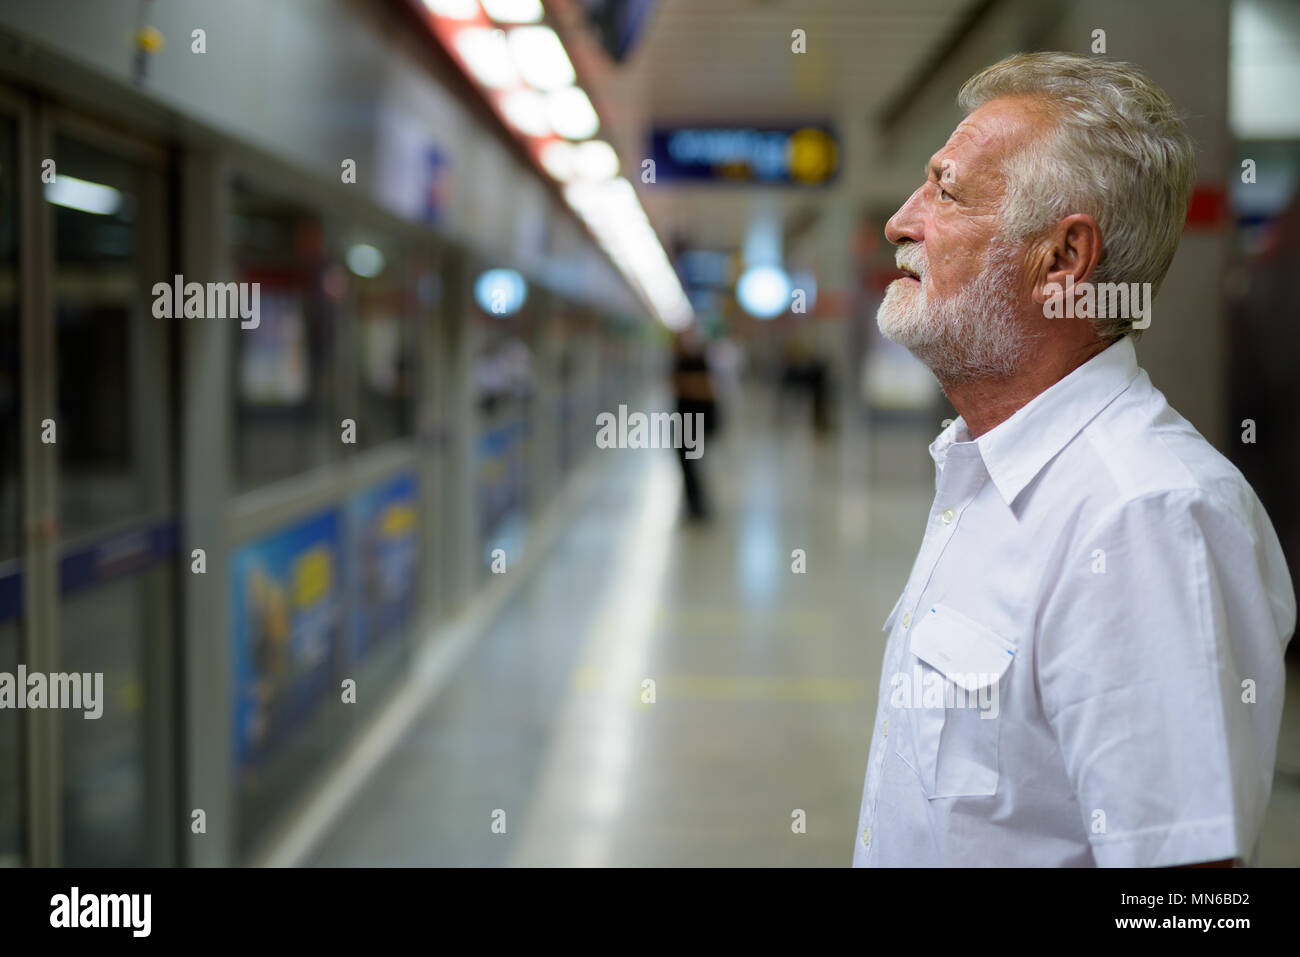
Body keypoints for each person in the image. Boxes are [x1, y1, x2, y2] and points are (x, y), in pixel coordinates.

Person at [855, 51, 1296, 867]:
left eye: (946, 191)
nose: (901, 220)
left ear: (1062, 261)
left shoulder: (1144, 517)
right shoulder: (986, 475)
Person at [671, 329, 715, 520]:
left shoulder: (698, 362)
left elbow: (704, 389)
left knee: (693, 462)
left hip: (695, 421)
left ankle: (698, 504)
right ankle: (692, 501)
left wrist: (686, 385)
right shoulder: (680, 361)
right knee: (687, 462)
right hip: (683, 420)